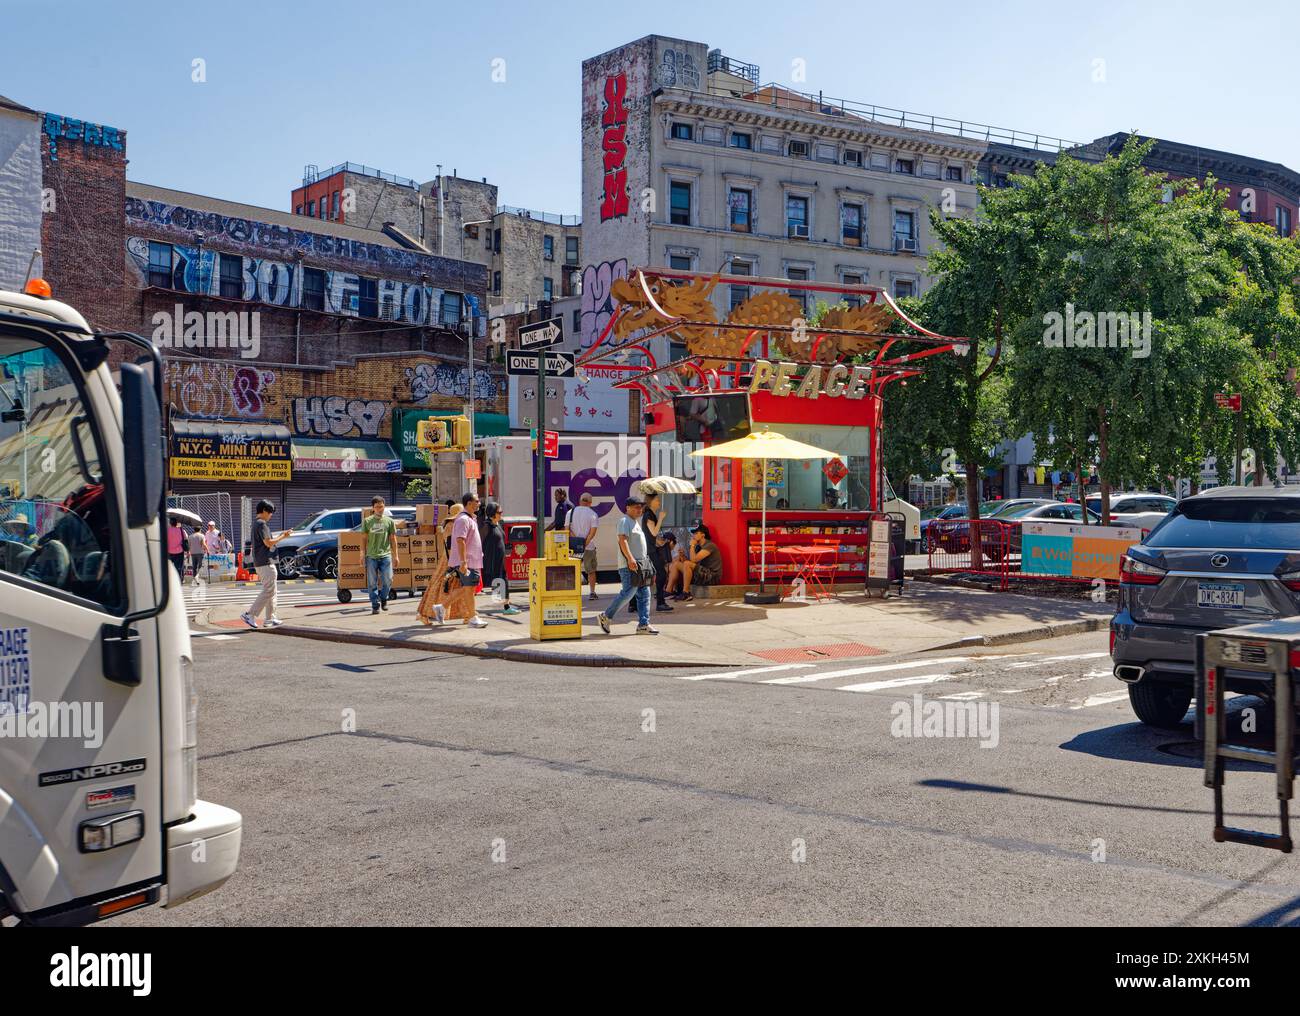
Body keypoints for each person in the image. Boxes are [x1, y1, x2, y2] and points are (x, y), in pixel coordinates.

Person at [595, 495, 659, 635]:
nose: (639, 510)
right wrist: (630, 559)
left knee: (644, 594)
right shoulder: (624, 521)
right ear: (627, 508)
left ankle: (643, 624)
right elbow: (622, 541)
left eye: (641, 507)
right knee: (628, 593)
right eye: (636, 507)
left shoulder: (636, 522)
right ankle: (606, 616)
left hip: (640, 565)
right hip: (629, 565)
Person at [241, 500, 290, 629]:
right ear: (263, 511)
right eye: (269, 512)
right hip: (265, 562)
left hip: (261, 562)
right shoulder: (262, 524)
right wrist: (283, 536)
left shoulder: (256, 524)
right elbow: (268, 543)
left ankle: (270, 618)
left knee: (272, 591)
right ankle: (250, 614)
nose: (271, 515)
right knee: (269, 590)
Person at [449, 491, 488, 629]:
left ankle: (469, 615)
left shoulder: (470, 518)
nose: (479, 503)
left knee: (469, 589)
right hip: (468, 561)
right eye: (477, 501)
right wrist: (463, 561)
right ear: (469, 503)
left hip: (472, 561)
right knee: (469, 588)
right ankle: (472, 617)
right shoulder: (463, 520)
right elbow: (460, 540)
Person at [361, 496, 400, 615]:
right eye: (377, 507)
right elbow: (363, 539)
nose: (379, 509)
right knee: (372, 582)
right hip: (371, 556)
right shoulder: (367, 521)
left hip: (386, 555)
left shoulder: (389, 521)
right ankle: (375, 605)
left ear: (384, 506)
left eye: (381, 506)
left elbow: (393, 539)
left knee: (388, 579)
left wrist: (396, 555)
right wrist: (362, 554)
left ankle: (384, 598)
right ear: (373, 508)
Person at [667, 523, 723, 601]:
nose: (694, 535)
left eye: (696, 533)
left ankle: (686, 593)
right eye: (693, 533)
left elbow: (694, 560)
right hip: (701, 574)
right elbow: (691, 563)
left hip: (712, 576)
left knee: (687, 563)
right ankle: (668, 591)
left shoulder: (710, 545)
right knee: (676, 564)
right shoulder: (698, 547)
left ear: (703, 535)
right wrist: (683, 556)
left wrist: (692, 546)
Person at [482, 502, 520, 615]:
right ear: (493, 513)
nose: (501, 514)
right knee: (488, 584)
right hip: (492, 560)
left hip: (500, 559)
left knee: (504, 581)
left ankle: (506, 606)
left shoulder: (497, 524)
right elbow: (481, 542)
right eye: (499, 512)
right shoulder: (486, 526)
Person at [566, 492, 600, 602]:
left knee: (573, 570)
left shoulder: (570, 513)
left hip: (573, 547)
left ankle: (573, 593)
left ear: (580, 501)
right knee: (591, 570)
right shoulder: (593, 514)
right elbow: (593, 532)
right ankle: (592, 592)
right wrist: (585, 542)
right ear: (590, 503)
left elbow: (567, 530)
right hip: (589, 547)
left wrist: (577, 541)